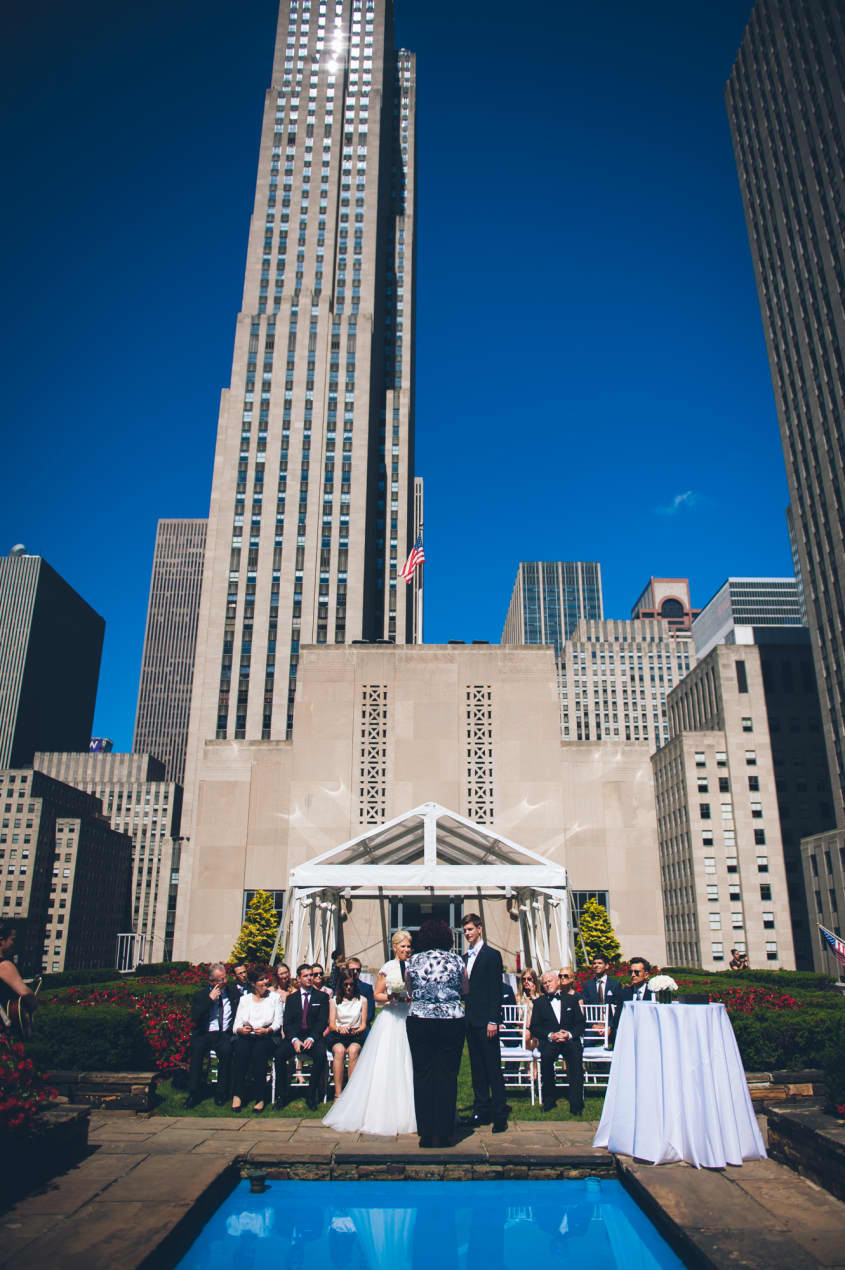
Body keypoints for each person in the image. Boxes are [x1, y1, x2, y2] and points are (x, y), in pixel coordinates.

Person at [322, 930, 416, 1135]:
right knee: (388, 1062)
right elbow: (376, 995)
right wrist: (393, 997)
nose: (407, 950)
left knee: (408, 1061)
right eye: (403, 946)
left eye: (409, 946)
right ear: (395, 947)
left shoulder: (414, 966)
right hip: (392, 1017)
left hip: (409, 1015)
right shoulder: (387, 968)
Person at [405, 918, 468, 1149]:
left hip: (420, 1020)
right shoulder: (457, 960)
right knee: (447, 1075)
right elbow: (465, 988)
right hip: (451, 1021)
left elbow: (409, 989)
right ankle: (444, 1132)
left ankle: (426, 1133)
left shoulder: (414, 961)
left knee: (423, 1074)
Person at [461, 912, 507, 1133]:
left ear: (480, 929)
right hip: (470, 1021)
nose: (467, 934)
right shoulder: (464, 958)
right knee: (477, 1069)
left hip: (487, 1021)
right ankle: (480, 1110)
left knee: (492, 1068)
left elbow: (495, 990)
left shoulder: (492, 955)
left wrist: (493, 1020)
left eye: (470, 929)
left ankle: (500, 1115)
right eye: (465, 931)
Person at [276, 962, 330, 1109]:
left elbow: (322, 1021)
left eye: (311, 975)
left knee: (320, 1055)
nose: (309, 978)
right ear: (298, 979)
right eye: (305, 976)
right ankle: (282, 1095)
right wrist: (294, 1040)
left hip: (313, 1038)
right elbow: (287, 1023)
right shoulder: (291, 999)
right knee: (279, 1055)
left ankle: (311, 1095)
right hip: (295, 1038)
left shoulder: (322, 997)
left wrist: (312, 1038)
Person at [530, 970, 585, 1114]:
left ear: (557, 982)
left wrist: (569, 1034)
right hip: (550, 1041)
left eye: (550, 981)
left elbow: (580, 1023)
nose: (547, 984)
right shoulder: (539, 1003)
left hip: (569, 1040)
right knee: (546, 1059)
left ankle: (576, 1104)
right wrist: (550, 1035)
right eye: (544, 983)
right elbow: (534, 1027)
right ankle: (549, 1100)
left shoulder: (571, 999)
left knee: (575, 1061)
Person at [186, 962, 240, 1107]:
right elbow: (195, 1017)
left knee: (227, 1051)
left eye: (225, 977)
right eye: (220, 979)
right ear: (211, 981)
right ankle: (193, 1093)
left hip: (224, 1033)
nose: (224, 981)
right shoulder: (201, 995)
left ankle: (221, 1093)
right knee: (197, 1051)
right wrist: (209, 1000)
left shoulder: (232, 991)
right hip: (205, 1033)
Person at [231, 966, 282, 1113]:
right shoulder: (244, 999)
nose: (265, 982)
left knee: (259, 1053)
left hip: (267, 1036)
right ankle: (238, 1094)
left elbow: (278, 1022)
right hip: (247, 1035)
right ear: (253, 983)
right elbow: (236, 1025)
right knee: (241, 1051)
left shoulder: (275, 998)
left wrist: (267, 1030)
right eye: (261, 980)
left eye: (266, 979)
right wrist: (241, 1030)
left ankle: (260, 1097)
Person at [326, 969, 368, 1097]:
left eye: (351, 984)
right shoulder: (334, 1001)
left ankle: (351, 1092)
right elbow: (331, 1025)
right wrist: (340, 1028)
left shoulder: (362, 1000)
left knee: (353, 1051)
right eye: (345, 984)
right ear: (341, 985)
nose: (348, 987)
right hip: (338, 1035)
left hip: (355, 1034)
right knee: (339, 1051)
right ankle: (338, 1093)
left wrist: (354, 1030)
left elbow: (363, 1025)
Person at [0, 923, 37, 1032]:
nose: (14, 944)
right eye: (12, 939)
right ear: (2, 941)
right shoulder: (4, 965)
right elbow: (25, 993)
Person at [346, 956, 375, 1039]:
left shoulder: (367, 988)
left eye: (358, 970)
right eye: (352, 970)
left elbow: (370, 1013)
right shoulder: (339, 988)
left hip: (362, 1026)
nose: (355, 972)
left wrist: (357, 1025)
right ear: (347, 970)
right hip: (343, 1026)